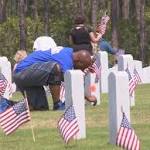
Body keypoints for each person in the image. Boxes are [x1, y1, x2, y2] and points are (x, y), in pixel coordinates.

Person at [13, 47, 96, 111]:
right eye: (83, 67)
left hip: (26, 74)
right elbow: (71, 82)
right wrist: (87, 96)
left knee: (41, 109)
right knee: (55, 68)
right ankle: (57, 105)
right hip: (22, 72)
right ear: (78, 61)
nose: (82, 70)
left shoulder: (69, 51)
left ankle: (10, 106)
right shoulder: (66, 60)